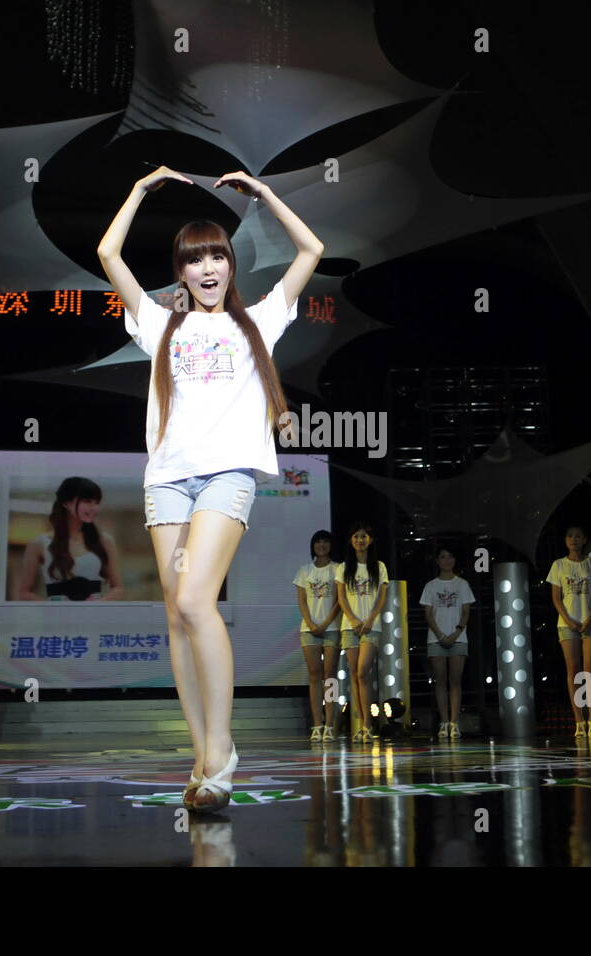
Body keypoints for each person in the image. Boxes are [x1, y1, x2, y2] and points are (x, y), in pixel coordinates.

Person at [97, 165, 323, 812]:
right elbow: (108, 253)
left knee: (197, 598)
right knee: (176, 614)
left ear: (230, 263)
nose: (206, 268)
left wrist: (267, 196)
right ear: (181, 271)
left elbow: (312, 252)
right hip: (167, 480)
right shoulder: (158, 325)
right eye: (193, 259)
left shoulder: (260, 321)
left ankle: (222, 750)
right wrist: (139, 190)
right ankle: (201, 761)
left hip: (228, 476)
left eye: (216, 255)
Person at [15, 477, 124, 601]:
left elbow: (118, 588)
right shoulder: (39, 544)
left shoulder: (104, 541)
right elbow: (24, 592)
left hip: (94, 617)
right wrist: (51, 609)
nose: (93, 507)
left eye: (97, 502)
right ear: (66, 503)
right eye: (87, 501)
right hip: (56, 618)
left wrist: (96, 606)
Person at [547, 526, 591, 737]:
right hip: (567, 623)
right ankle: (578, 721)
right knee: (573, 670)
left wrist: (588, 619)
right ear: (565, 540)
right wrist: (568, 620)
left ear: (584, 540)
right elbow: (556, 598)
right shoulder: (558, 565)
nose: (574, 539)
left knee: (590, 670)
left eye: (578, 536)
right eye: (570, 535)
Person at [335, 522, 389, 742]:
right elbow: (341, 598)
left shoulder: (380, 566)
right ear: (351, 541)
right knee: (355, 677)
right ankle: (362, 725)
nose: (360, 540)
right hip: (350, 626)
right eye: (356, 536)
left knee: (362, 672)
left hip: (371, 626)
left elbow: (381, 598)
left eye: (364, 536)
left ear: (371, 540)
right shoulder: (343, 568)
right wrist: (354, 619)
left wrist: (369, 619)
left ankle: (367, 724)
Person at [420, 546, 475, 740]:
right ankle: (444, 722)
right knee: (440, 682)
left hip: (458, 638)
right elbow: (428, 614)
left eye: (450, 556)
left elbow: (466, 611)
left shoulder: (462, 584)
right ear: (437, 561)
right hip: (436, 639)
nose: (447, 560)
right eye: (443, 557)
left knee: (456, 682)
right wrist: (441, 635)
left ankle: (454, 723)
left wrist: (457, 631)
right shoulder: (430, 586)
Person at [294, 529, 340, 741]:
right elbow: (302, 601)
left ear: (330, 545)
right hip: (309, 629)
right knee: (314, 676)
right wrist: (312, 624)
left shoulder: (338, 569)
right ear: (313, 546)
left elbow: (340, 601)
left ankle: (330, 724)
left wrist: (325, 623)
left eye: (325, 542)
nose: (321, 545)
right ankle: (316, 725)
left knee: (330, 675)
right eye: (318, 542)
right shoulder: (305, 570)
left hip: (331, 628)